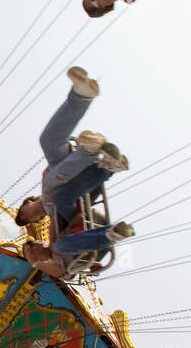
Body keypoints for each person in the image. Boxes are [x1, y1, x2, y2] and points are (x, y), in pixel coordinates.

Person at [15, 68, 135, 276]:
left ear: (27, 202)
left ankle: (82, 96)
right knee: (55, 192)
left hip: (66, 180)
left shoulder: (48, 200)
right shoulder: (54, 230)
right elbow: (62, 270)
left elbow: (50, 189)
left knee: (48, 142)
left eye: (23, 214)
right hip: (72, 204)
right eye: (31, 251)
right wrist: (36, 263)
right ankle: (91, 154)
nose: (33, 250)